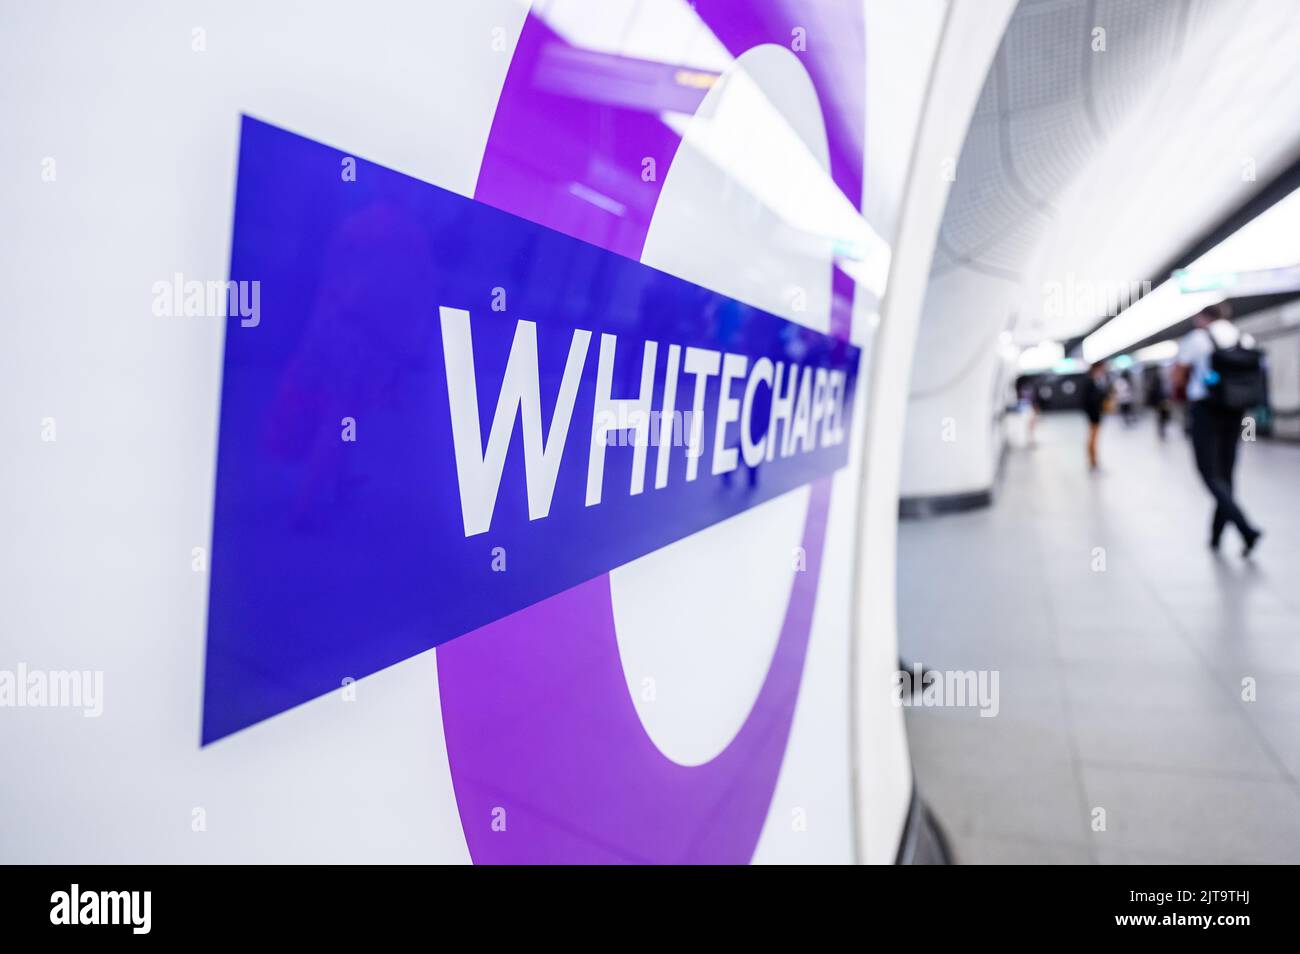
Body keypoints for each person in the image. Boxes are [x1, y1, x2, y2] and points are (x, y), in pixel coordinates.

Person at [1173, 305, 1263, 555]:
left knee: (1208, 473)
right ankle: (1216, 535)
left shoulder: (1198, 338)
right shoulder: (1243, 337)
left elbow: (1178, 376)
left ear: (1204, 318)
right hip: (1236, 411)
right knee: (1226, 472)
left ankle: (1246, 529)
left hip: (1206, 410)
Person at [1081, 363, 1110, 470]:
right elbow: (1089, 400)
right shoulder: (1090, 382)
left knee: (1094, 438)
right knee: (1093, 438)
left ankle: (1094, 460)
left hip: (1095, 414)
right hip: (1093, 414)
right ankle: (1093, 461)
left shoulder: (1095, 381)